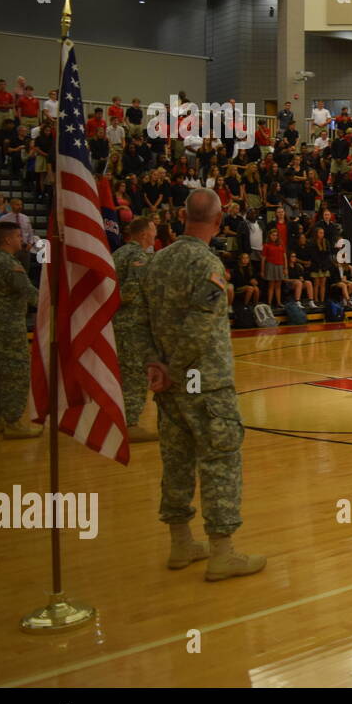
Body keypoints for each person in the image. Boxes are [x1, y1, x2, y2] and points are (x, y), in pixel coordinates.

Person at [133, 187, 265, 580]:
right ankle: (222, 552)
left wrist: (153, 365)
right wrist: (173, 365)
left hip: (169, 385)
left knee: (175, 460)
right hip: (202, 382)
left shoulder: (155, 261)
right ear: (218, 222)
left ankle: (180, 544)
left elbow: (137, 320)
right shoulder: (206, 263)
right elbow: (200, 324)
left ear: (181, 216)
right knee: (219, 459)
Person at [112, 217, 160, 442]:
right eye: (153, 230)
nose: (154, 235)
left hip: (118, 323)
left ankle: (120, 419)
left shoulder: (119, 253)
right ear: (142, 234)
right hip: (133, 325)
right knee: (135, 376)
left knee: (124, 372)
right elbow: (131, 289)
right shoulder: (138, 256)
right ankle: (129, 424)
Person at [0, 218, 41, 438]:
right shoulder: (9, 263)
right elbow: (29, 293)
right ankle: (13, 423)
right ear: (7, 239)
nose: (20, 240)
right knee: (15, 374)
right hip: (8, 329)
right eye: (17, 236)